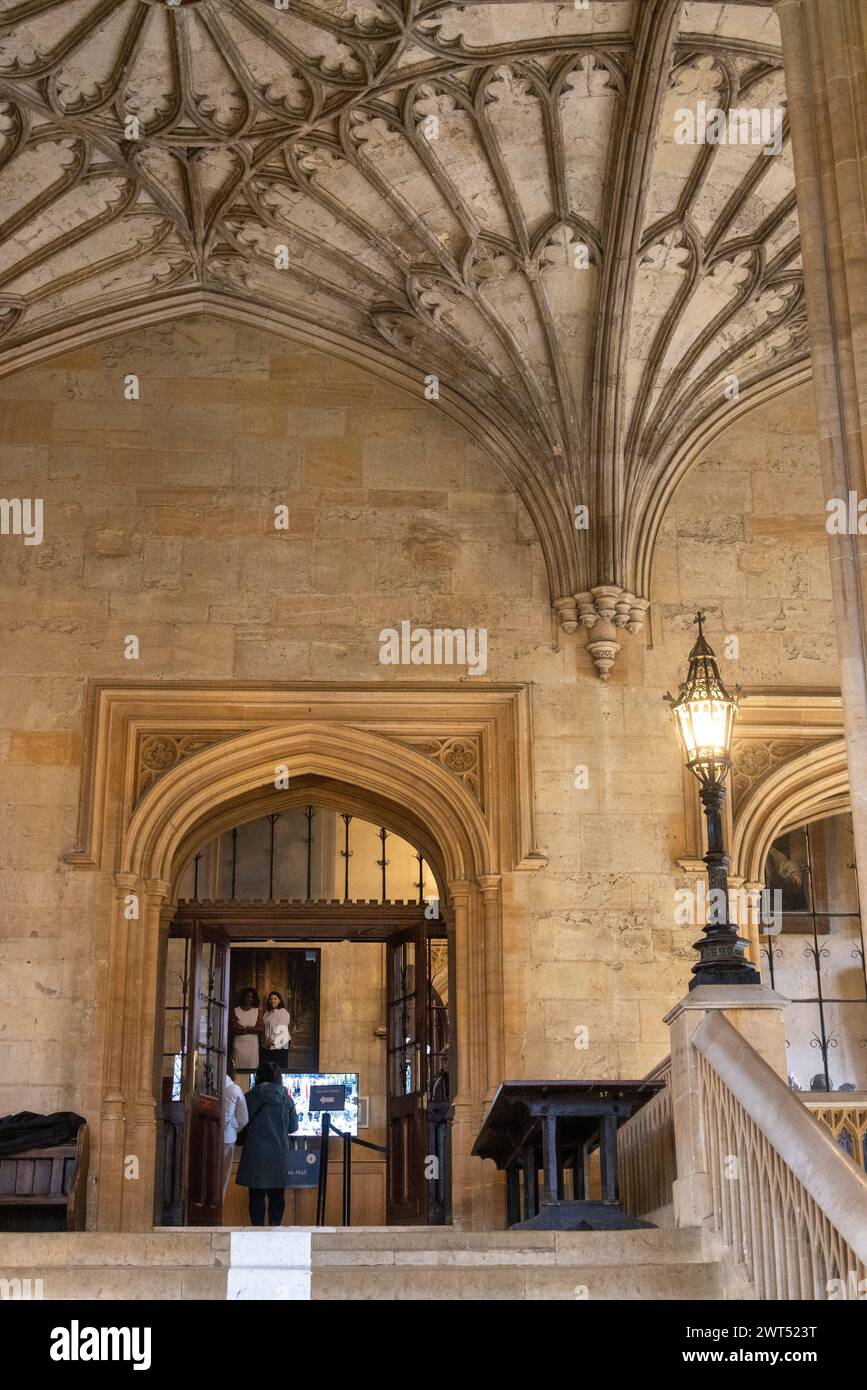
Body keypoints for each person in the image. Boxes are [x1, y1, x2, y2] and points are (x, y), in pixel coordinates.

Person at [236, 1061, 299, 1227]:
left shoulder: (249, 1097)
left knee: (256, 1197)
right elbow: (293, 1127)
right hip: (278, 1154)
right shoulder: (287, 1099)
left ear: (258, 1076)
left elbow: (240, 1123)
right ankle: (274, 1228)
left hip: (255, 1153)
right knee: (277, 1196)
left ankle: (257, 1230)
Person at [223, 1072, 248, 1201]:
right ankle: (218, 1208)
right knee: (223, 1177)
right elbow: (243, 1119)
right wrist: (232, 1129)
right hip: (228, 1137)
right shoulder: (235, 1089)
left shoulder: (206, 1086)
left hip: (207, 1134)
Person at [230, 987, 263, 1072]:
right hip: (238, 1045)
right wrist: (251, 1029)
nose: (249, 998)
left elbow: (260, 1029)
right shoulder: (235, 1010)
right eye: (247, 996)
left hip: (252, 1046)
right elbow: (233, 1029)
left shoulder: (257, 1011)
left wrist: (244, 1029)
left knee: (252, 1069)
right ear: (243, 997)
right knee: (237, 1069)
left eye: (251, 997)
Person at [261, 990, 292, 1069]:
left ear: (279, 1000)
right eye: (271, 999)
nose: (273, 1001)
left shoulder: (283, 1012)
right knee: (270, 1068)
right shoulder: (267, 1013)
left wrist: (271, 1041)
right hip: (268, 1045)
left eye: (275, 999)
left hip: (280, 1045)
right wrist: (265, 1042)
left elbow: (281, 1029)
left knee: (279, 1068)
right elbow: (264, 1027)